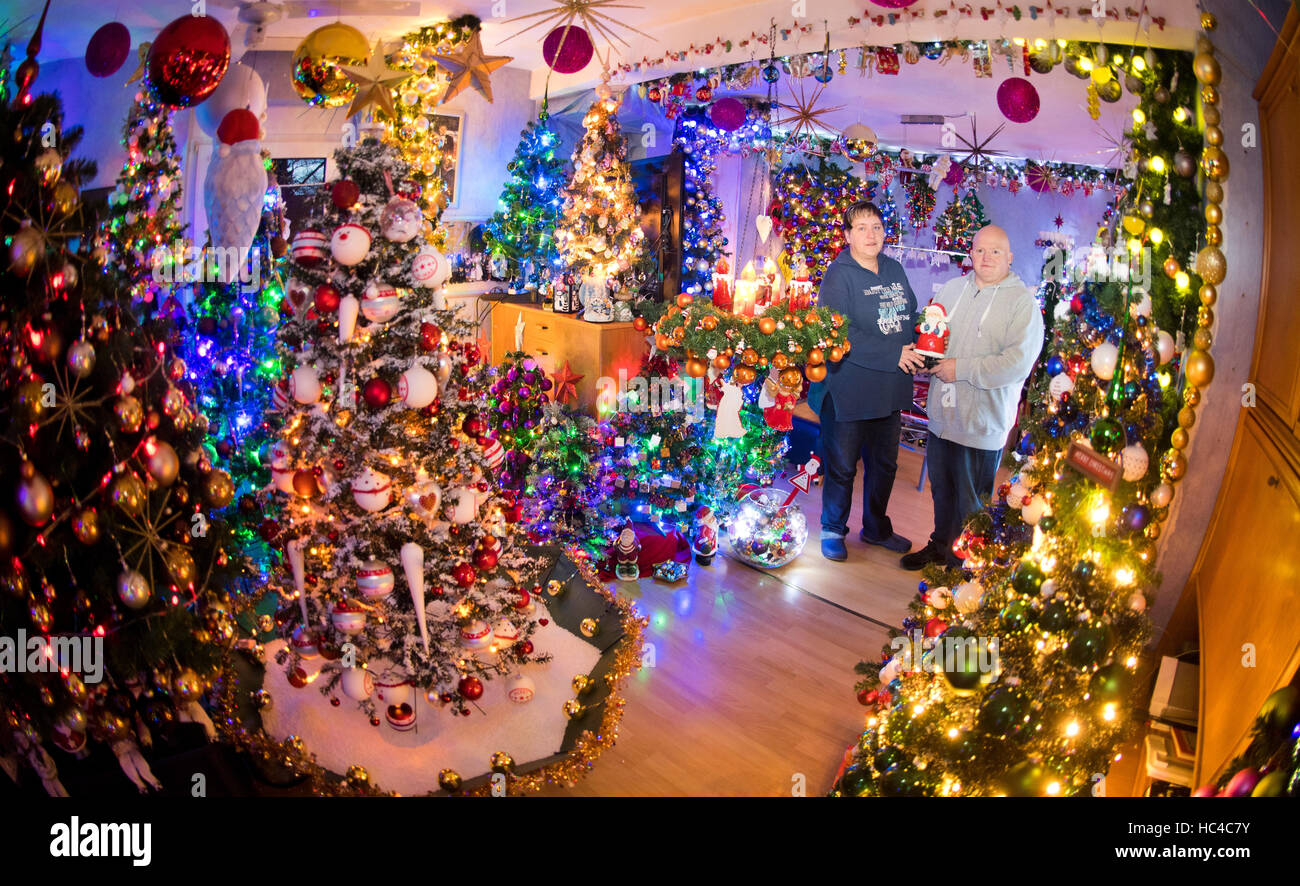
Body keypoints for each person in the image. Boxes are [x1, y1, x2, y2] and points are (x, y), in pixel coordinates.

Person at [902, 225, 1044, 570]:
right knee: (942, 490)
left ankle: (963, 568)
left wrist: (960, 368)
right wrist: (923, 355)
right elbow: (934, 338)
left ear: (1010, 257)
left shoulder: (1023, 304)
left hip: (982, 423)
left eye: (996, 251)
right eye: (980, 250)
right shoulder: (952, 289)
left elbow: (1016, 364)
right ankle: (940, 545)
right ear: (970, 254)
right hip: (942, 416)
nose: (987, 258)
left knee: (971, 503)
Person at [813, 201, 925, 561]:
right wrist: (894, 353)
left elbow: (909, 312)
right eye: (861, 227)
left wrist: (930, 330)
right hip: (849, 389)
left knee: (884, 466)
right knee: (843, 466)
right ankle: (833, 529)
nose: (871, 234)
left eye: (876, 226)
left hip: (889, 389)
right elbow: (841, 333)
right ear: (847, 236)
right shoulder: (838, 274)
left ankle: (876, 528)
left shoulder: (893, 268)